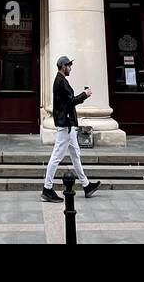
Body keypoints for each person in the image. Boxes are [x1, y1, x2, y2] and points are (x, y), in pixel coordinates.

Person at [41, 55, 101, 202]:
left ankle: (86, 186)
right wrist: (85, 95)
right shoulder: (61, 82)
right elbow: (71, 102)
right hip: (66, 125)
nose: (70, 68)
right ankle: (47, 189)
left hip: (68, 125)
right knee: (56, 157)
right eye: (69, 65)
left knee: (75, 155)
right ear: (63, 66)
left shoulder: (60, 81)